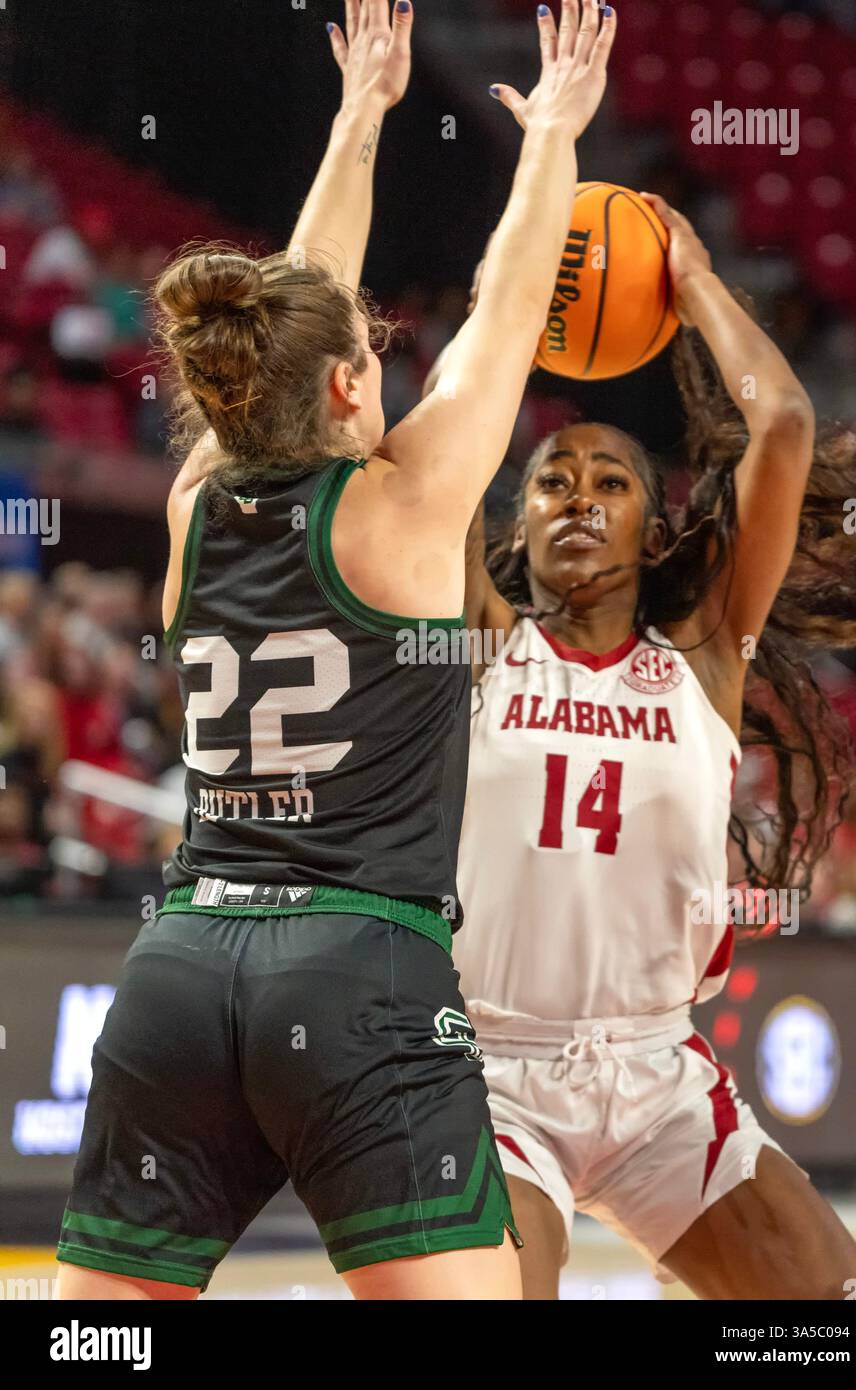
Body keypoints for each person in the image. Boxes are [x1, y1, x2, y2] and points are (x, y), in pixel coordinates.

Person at [56, 0, 620, 1301]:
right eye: (372, 351)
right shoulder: (406, 508)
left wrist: (361, 110)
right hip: (359, 965)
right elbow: (515, 303)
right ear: (356, 389)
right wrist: (553, 145)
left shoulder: (198, 498)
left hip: (183, 968)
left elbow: (287, 319)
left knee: (92, 1341)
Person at [435, 195, 856, 1298]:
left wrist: (689, 277)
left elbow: (782, 426)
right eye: (553, 480)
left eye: (611, 483)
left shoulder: (704, 655)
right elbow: (452, 419)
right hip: (492, 1074)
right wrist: (507, 293)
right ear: (517, 525)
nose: (580, 499)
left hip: (658, 1075)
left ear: (654, 529)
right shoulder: (475, 642)